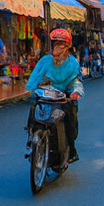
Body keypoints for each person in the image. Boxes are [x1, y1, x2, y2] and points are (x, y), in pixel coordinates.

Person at [25, 28, 84, 163]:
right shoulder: (45, 61)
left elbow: (77, 81)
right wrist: (31, 90)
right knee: (34, 108)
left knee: (71, 119)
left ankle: (71, 149)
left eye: (61, 46)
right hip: (47, 93)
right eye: (55, 45)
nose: (57, 50)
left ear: (67, 48)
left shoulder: (73, 64)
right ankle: (31, 138)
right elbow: (35, 77)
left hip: (65, 95)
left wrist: (76, 93)